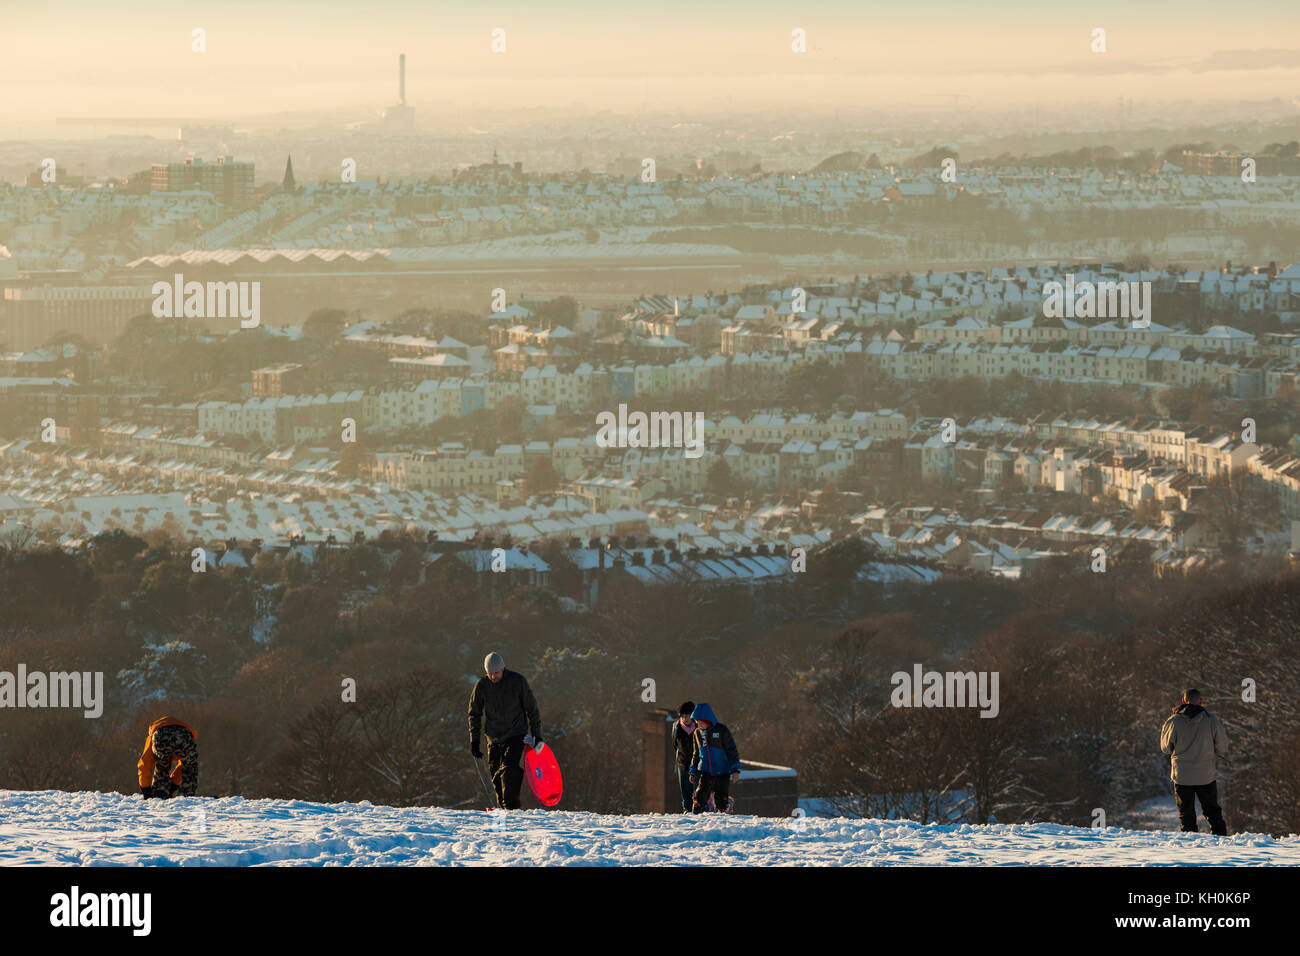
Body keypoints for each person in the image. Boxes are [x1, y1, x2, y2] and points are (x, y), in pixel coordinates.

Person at [468, 652, 542, 810]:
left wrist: (537, 736)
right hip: (493, 738)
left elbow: (532, 709)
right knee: (496, 778)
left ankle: (511, 809)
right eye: (490, 673)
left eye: (496, 672)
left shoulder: (517, 681)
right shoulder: (482, 685)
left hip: (516, 734)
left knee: (508, 770)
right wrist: (474, 741)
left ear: (503, 669)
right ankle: (503, 810)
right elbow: (474, 713)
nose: (493, 676)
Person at [1160, 688, 1229, 835]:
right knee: (1212, 811)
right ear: (1201, 701)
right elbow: (1222, 746)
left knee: (1186, 814)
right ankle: (1221, 842)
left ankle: (1190, 846)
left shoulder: (1173, 721)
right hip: (1206, 774)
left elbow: (1165, 748)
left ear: (1183, 701)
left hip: (1182, 775)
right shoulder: (1211, 720)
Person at [687, 702, 740, 814]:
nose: (699, 725)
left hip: (723, 772)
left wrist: (735, 770)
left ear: (708, 720)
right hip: (706, 771)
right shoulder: (697, 733)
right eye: (697, 723)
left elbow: (731, 750)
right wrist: (693, 771)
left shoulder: (721, 730)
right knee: (700, 794)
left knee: (720, 797)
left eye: (701, 723)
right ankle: (695, 812)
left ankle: (723, 811)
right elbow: (696, 753)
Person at [137, 716, 199, 799]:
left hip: (161, 734)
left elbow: (145, 763)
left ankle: (159, 796)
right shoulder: (183, 733)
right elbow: (184, 766)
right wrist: (173, 785)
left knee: (162, 766)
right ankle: (188, 797)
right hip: (184, 734)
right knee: (189, 767)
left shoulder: (152, 735)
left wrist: (145, 789)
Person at [672, 701, 698, 813]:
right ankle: (687, 811)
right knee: (685, 791)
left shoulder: (698, 727)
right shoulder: (676, 727)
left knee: (698, 791)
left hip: (697, 764)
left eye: (687, 715)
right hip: (682, 764)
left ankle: (699, 811)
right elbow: (675, 745)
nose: (684, 718)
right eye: (682, 716)